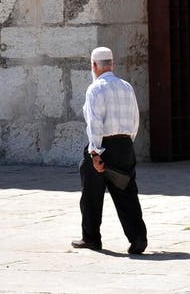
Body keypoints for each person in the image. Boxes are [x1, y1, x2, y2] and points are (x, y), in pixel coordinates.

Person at [71, 46, 148, 255]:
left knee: (91, 194)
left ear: (94, 66)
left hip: (103, 146)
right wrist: (127, 143)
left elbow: (94, 123)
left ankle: (91, 238)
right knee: (127, 192)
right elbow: (135, 119)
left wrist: (95, 153)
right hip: (125, 145)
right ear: (112, 64)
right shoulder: (126, 87)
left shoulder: (95, 89)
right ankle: (138, 238)